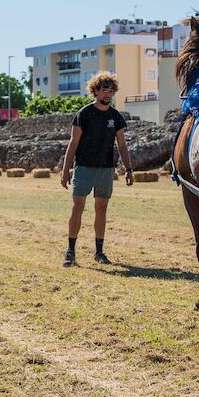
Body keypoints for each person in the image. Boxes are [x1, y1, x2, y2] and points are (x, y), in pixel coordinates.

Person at [59, 72, 133, 267]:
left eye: (111, 91)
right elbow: (72, 144)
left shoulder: (115, 117)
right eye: (104, 91)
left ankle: (99, 252)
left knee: (101, 209)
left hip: (106, 170)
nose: (108, 95)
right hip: (83, 168)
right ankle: (70, 251)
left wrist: (129, 169)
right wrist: (65, 170)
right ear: (95, 91)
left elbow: (122, 145)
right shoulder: (83, 114)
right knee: (78, 208)